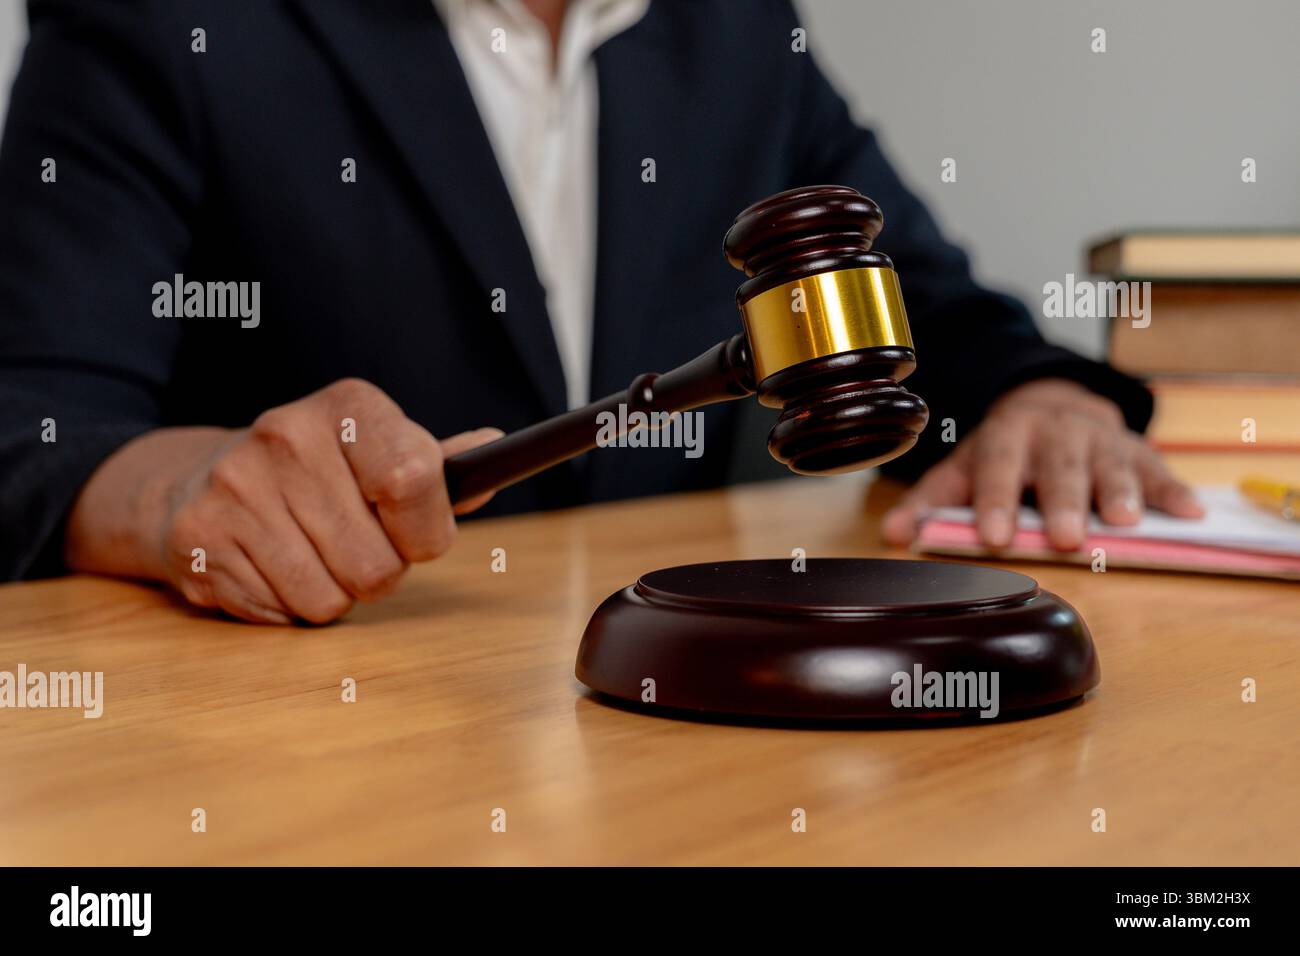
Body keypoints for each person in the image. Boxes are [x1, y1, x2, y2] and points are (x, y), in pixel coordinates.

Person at [0, 0, 1201, 624]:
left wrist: (1042, 397)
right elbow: (29, 422)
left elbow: (922, 307)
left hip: (665, 753)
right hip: (309, 732)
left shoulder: (733, 34)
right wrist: (179, 496)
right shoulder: (164, 25)